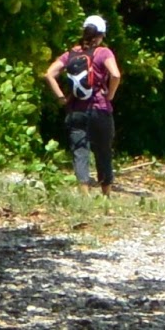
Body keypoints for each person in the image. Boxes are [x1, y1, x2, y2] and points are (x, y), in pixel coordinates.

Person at [44, 14, 122, 195]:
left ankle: (84, 194)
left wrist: (61, 98)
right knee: (103, 151)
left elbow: (49, 74)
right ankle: (106, 194)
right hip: (99, 109)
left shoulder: (70, 54)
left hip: (76, 110)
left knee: (80, 152)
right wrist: (110, 95)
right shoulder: (103, 52)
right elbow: (115, 75)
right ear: (101, 35)